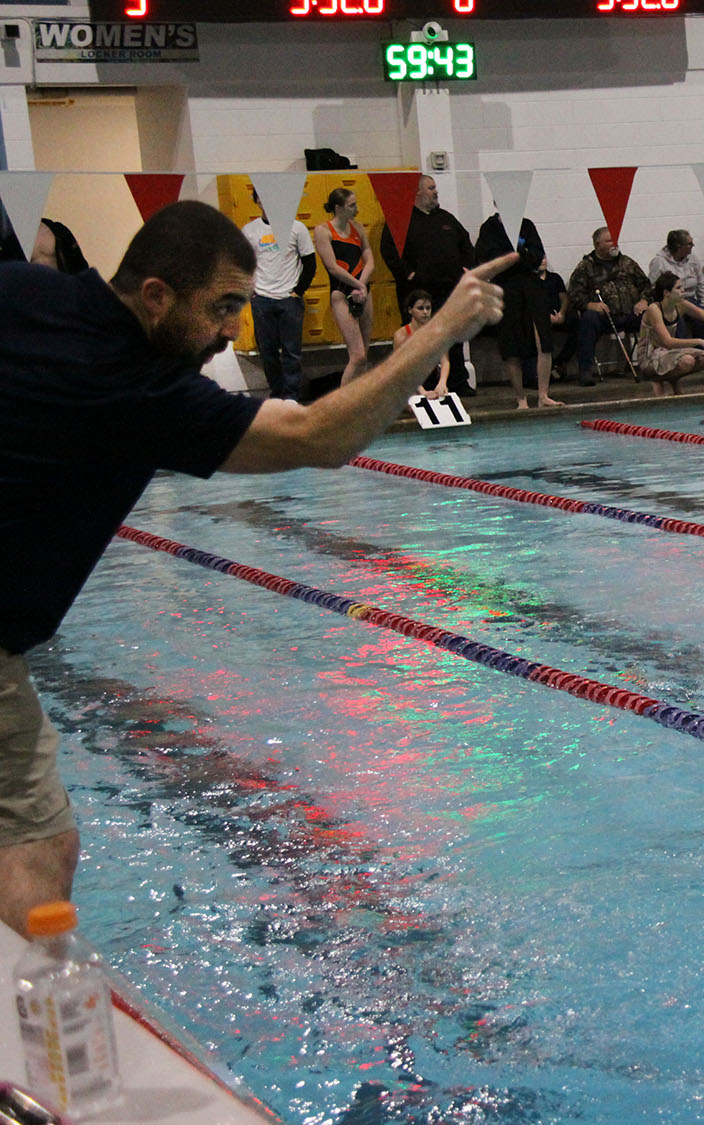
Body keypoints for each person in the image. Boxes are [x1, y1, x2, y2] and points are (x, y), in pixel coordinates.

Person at [0, 200, 507, 934]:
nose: (234, 330)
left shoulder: (24, 290)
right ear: (156, 296)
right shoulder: (134, 386)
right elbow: (317, 435)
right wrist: (440, 331)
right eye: (222, 307)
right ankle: (30, 1003)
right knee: (34, 850)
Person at [379, 175, 476, 394]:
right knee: (420, 339)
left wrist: (467, 267)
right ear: (418, 193)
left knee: (453, 335)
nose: (436, 192)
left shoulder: (446, 218)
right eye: (431, 188)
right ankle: (424, 385)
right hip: (418, 291)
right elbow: (388, 250)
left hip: (449, 289)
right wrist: (408, 273)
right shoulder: (401, 220)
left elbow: (466, 243)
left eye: (435, 188)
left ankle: (457, 382)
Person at [474, 212, 560, 409]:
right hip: (505, 287)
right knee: (510, 343)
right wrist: (520, 256)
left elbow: (537, 255)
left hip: (531, 285)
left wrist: (514, 257)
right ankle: (521, 398)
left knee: (543, 339)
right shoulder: (490, 227)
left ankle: (543, 395)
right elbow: (487, 259)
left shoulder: (526, 224)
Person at [241, 189, 316, 401]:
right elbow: (242, 264)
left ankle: (291, 397)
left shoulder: (297, 228)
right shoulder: (249, 231)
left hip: (289, 300)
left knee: (292, 353)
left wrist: (297, 292)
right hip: (262, 300)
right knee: (268, 353)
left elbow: (310, 264)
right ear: (257, 200)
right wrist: (250, 291)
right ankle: (277, 395)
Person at [567, 226, 651, 384]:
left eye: (615, 240)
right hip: (604, 317)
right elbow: (574, 294)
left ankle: (654, 365)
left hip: (631, 313)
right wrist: (590, 305)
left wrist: (644, 300)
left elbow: (646, 285)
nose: (614, 244)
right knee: (588, 319)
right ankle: (585, 370)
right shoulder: (585, 267)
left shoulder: (627, 262)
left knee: (654, 314)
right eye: (609, 241)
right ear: (597, 244)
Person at [632, 270, 704, 397]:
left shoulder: (681, 305)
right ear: (666, 293)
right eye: (678, 288)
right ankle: (657, 379)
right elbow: (667, 341)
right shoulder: (654, 309)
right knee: (687, 361)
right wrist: (700, 341)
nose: (683, 291)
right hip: (649, 358)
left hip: (667, 353)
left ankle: (672, 379)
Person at [313, 187, 375, 384]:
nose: (356, 209)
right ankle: (343, 400)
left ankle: (361, 398)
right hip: (341, 292)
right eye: (352, 205)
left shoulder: (357, 227)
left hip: (363, 290)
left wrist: (362, 286)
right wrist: (357, 285)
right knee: (358, 356)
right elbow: (332, 267)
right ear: (338, 208)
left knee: (365, 354)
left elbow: (370, 260)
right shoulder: (323, 231)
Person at [390, 289, 450, 399]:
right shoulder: (401, 335)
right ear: (410, 310)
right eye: (420, 308)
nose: (425, 312)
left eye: (428, 308)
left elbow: (445, 361)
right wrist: (422, 391)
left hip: (429, 377)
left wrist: (442, 382)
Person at [647, 229, 704, 309]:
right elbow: (652, 287)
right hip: (671, 305)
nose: (693, 245)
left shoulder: (692, 258)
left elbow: (701, 283)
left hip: (691, 301)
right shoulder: (659, 262)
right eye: (690, 244)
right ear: (679, 247)